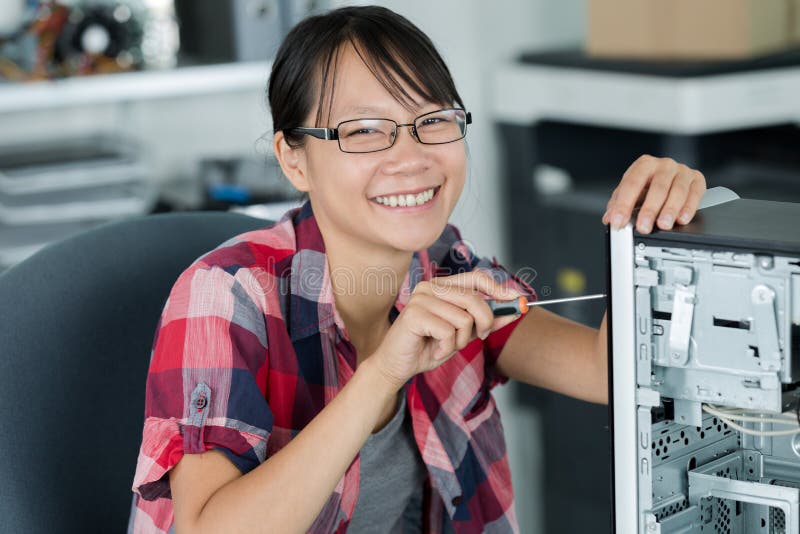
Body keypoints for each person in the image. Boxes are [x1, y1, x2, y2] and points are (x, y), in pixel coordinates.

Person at [128, 5, 707, 533]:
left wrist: (648, 230)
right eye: (364, 131)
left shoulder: (444, 265)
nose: (412, 157)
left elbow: (609, 372)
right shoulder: (223, 296)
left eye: (434, 120)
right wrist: (382, 373)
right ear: (293, 159)